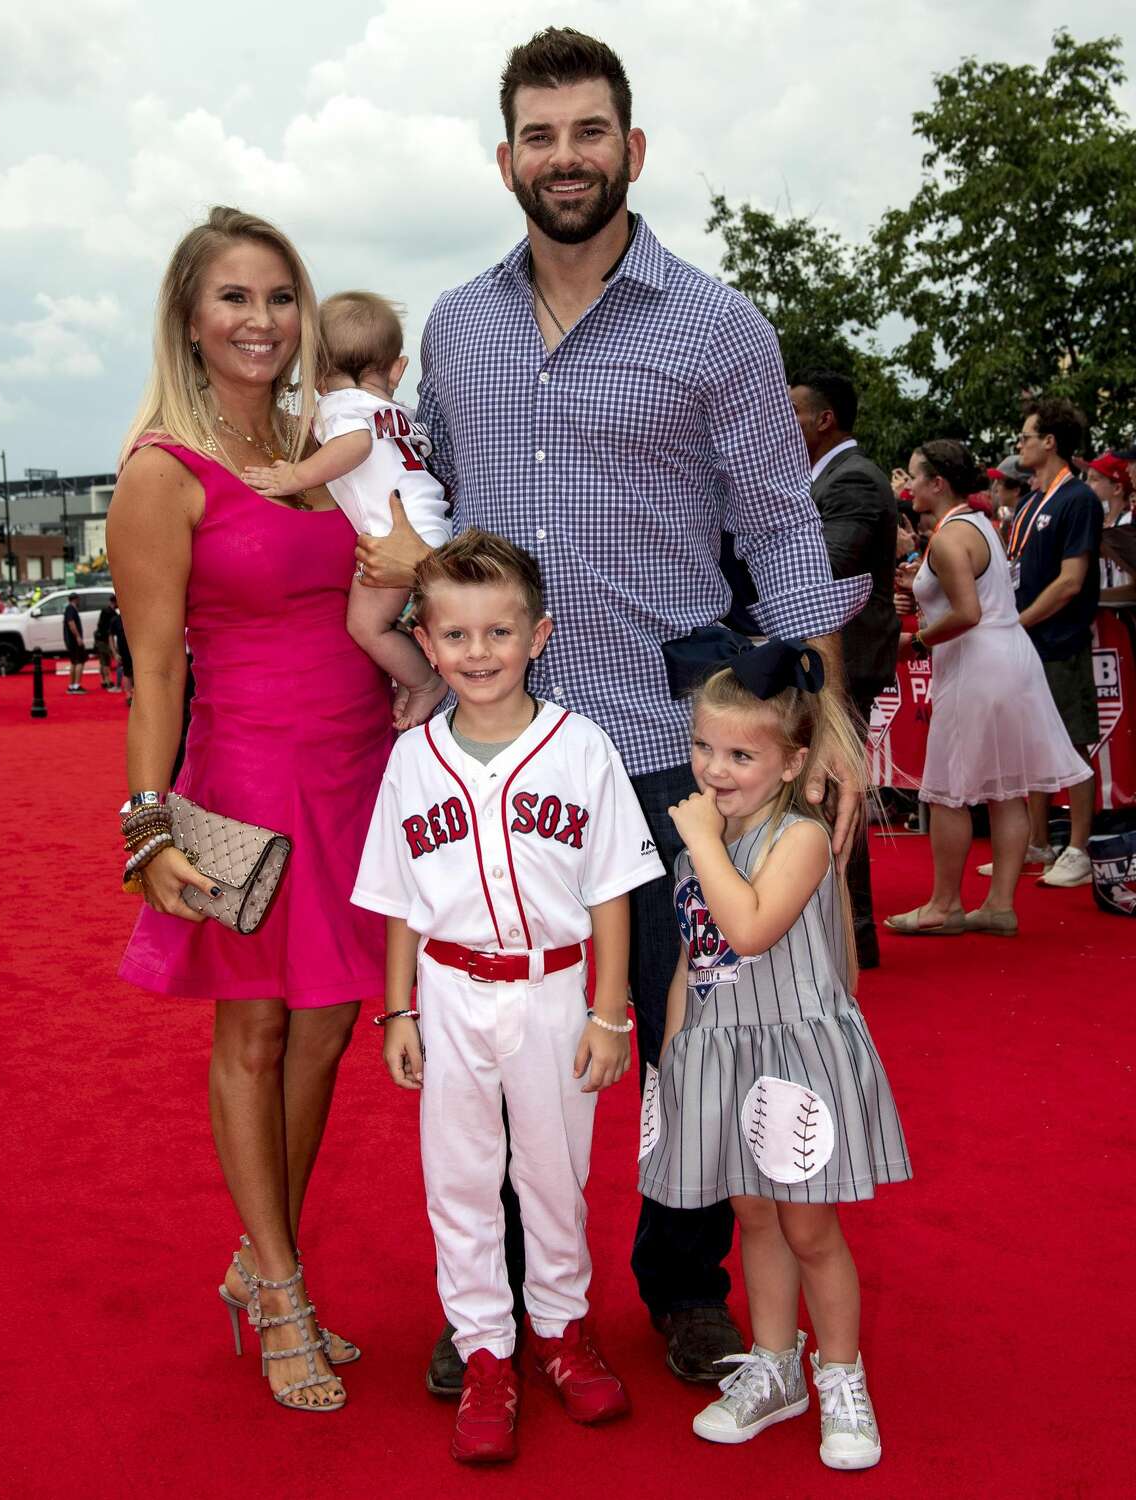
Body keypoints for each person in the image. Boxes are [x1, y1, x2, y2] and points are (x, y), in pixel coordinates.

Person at [355, 24, 871, 1388]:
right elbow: (429, 512)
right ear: (506, 157)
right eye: (539, 134)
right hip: (499, 758)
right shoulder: (457, 325)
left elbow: (777, 527)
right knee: (513, 1039)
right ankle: (509, 1307)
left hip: (669, 757)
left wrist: (838, 719)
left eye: (589, 132)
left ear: (630, 150)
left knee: (686, 1042)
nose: (564, 157)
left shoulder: (718, 324)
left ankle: (680, 1285)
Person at [107, 205, 394, 1412]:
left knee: (329, 1032)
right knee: (257, 1033)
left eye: (280, 297)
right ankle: (280, 1286)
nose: (262, 320)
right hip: (249, 782)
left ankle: (254, 1256)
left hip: (360, 769)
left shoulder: (323, 441)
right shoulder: (160, 474)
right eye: (234, 298)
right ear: (188, 317)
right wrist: (146, 826)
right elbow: (158, 670)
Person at [352, 530, 663, 1463]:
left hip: (556, 991)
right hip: (447, 989)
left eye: (499, 631)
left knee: (553, 1178)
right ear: (427, 640)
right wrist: (397, 1008)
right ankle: (486, 1349)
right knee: (458, 1182)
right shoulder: (413, 759)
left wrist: (613, 1012)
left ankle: (561, 1333)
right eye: (455, 635)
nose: (477, 652)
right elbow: (401, 898)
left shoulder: (583, 747)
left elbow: (612, 888)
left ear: (540, 635)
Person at [638, 629, 910, 1471]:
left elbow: (750, 928)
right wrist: (678, 1054)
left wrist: (707, 848)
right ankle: (774, 1364)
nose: (714, 771)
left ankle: (840, 1373)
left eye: (740, 756)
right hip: (723, 1052)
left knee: (808, 1224)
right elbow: (697, 956)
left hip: (792, 1060)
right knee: (751, 1214)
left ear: (791, 764)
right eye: (702, 748)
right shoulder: (701, 846)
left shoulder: (796, 838)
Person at [883, 442, 1091, 935]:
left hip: (977, 664)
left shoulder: (954, 536)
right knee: (1006, 790)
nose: (907, 486)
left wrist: (916, 642)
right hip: (1007, 657)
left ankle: (945, 904)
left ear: (939, 483)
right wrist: (921, 582)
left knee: (949, 791)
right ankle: (998, 906)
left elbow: (967, 612)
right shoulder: (977, 526)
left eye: (914, 477)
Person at [243, 291, 452, 728]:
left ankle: (424, 683)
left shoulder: (341, 405)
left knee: (365, 626)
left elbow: (353, 446)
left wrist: (294, 477)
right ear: (397, 368)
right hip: (430, 528)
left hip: (392, 536)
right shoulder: (397, 411)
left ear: (318, 372)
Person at [788, 369, 899, 969]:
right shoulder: (827, 477)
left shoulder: (853, 479)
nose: (780, 422)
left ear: (824, 419)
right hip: (833, 655)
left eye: (793, 411)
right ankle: (837, 925)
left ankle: (852, 930)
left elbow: (821, 566)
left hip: (847, 660)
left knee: (836, 786)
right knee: (824, 786)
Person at [1012, 399, 1101, 888]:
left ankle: (1079, 848)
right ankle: (1038, 843)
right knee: (1031, 748)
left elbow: (1071, 582)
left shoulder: (1078, 499)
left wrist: (1019, 621)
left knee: (1072, 743)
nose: (1020, 443)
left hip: (1059, 639)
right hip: (1028, 641)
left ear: (1050, 441)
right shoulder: (1029, 503)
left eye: (1026, 435)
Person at [1086, 453, 1134, 592]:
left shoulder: (1129, 523)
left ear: (1117, 488)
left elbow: (1133, 591)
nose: (1086, 485)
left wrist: (1087, 599)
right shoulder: (1095, 525)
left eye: (1094, 479)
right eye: (1087, 479)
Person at [94, 593, 121, 692]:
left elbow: (99, 624)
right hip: (104, 640)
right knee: (106, 662)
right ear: (115, 602)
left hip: (99, 639)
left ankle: (103, 681)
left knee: (102, 661)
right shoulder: (112, 613)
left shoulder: (104, 610)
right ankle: (108, 681)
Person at [63, 592, 88, 693]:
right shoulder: (71, 609)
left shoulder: (69, 609)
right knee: (80, 661)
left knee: (74, 662)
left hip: (71, 640)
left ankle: (72, 685)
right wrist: (78, 637)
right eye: (78, 599)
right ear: (75, 599)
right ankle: (76, 685)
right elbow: (71, 623)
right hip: (74, 640)